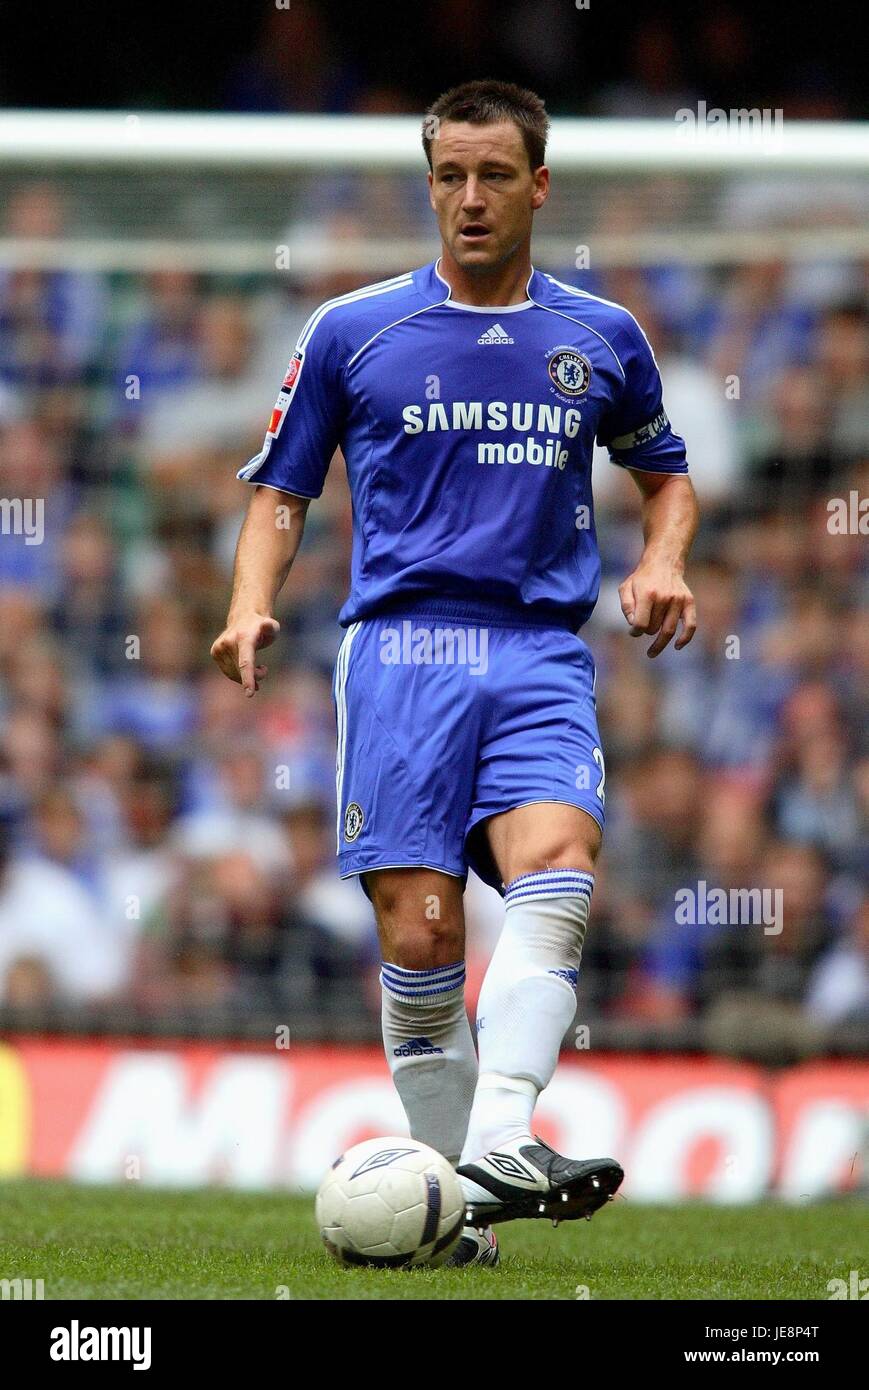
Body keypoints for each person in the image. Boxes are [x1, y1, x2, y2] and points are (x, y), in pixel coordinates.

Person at [211, 80, 699, 1266]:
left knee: (559, 862)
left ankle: (497, 1139)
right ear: (428, 185)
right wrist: (247, 603)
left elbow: (664, 474)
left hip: (537, 650)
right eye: (448, 177)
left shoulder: (600, 336)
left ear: (539, 185)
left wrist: (663, 560)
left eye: (493, 176)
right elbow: (282, 488)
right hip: (400, 655)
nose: (469, 198)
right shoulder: (351, 330)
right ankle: (449, 1231)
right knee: (425, 938)